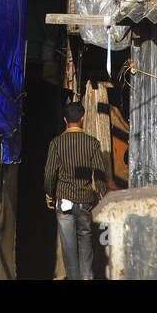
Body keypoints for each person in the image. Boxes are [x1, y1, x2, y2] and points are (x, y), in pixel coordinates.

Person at [44, 100, 109, 281]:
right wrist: (103, 195)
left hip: (63, 200)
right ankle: (86, 276)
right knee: (85, 237)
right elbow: (100, 173)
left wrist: (50, 193)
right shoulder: (93, 143)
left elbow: (49, 173)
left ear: (65, 119)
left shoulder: (56, 143)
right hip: (85, 200)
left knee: (68, 244)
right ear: (82, 118)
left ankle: (72, 277)